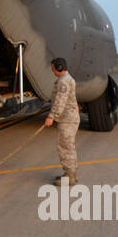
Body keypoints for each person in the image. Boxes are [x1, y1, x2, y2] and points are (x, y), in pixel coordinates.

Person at [44, 57, 79, 185]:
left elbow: (60, 100)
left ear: (58, 68)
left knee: (64, 147)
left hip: (67, 119)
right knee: (69, 146)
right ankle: (72, 174)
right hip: (70, 118)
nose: (52, 70)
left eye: (53, 68)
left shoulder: (63, 81)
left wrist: (51, 116)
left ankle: (69, 177)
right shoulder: (67, 79)